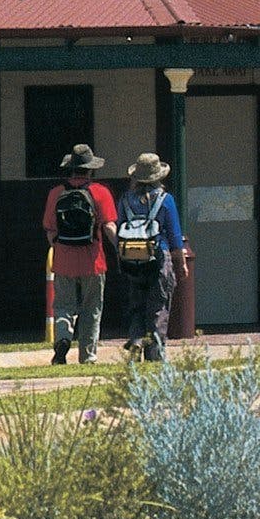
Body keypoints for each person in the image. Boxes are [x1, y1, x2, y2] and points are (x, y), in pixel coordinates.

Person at [40, 144, 117, 366]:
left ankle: (63, 338)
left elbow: (50, 230)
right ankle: (88, 356)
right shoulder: (101, 192)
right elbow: (109, 227)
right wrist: (121, 249)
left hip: (64, 261)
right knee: (92, 309)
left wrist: (58, 246)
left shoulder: (56, 193)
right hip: (94, 261)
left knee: (63, 305)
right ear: (90, 169)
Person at [116, 153, 187, 362]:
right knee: (158, 307)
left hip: (133, 260)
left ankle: (136, 338)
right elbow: (175, 236)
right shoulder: (166, 201)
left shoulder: (125, 200)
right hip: (159, 260)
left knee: (136, 304)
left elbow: (120, 229)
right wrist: (181, 264)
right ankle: (155, 352)